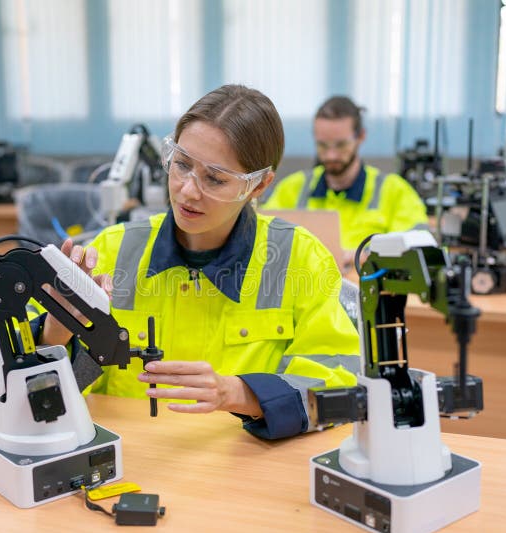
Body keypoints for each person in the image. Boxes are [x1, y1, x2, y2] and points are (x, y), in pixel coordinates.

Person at [28, 84, 359, 440]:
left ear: (259, 185)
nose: (187, 190)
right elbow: (25, 386)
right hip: (125, 455)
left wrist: (240, 393)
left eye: (215, 178)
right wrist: (56, 331)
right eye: (182, 165)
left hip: (241, 462)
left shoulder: (300, 259)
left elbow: (341, 388)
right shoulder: (112, 250)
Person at [262, 95, 428, 271]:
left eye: (341, 145)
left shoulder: (395, 190)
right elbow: (263, 239)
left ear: (361, 136)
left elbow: (419, 246)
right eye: (322, 145)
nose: (331, 155)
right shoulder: (292, 188)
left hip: (364, 284)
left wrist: (368, 255)